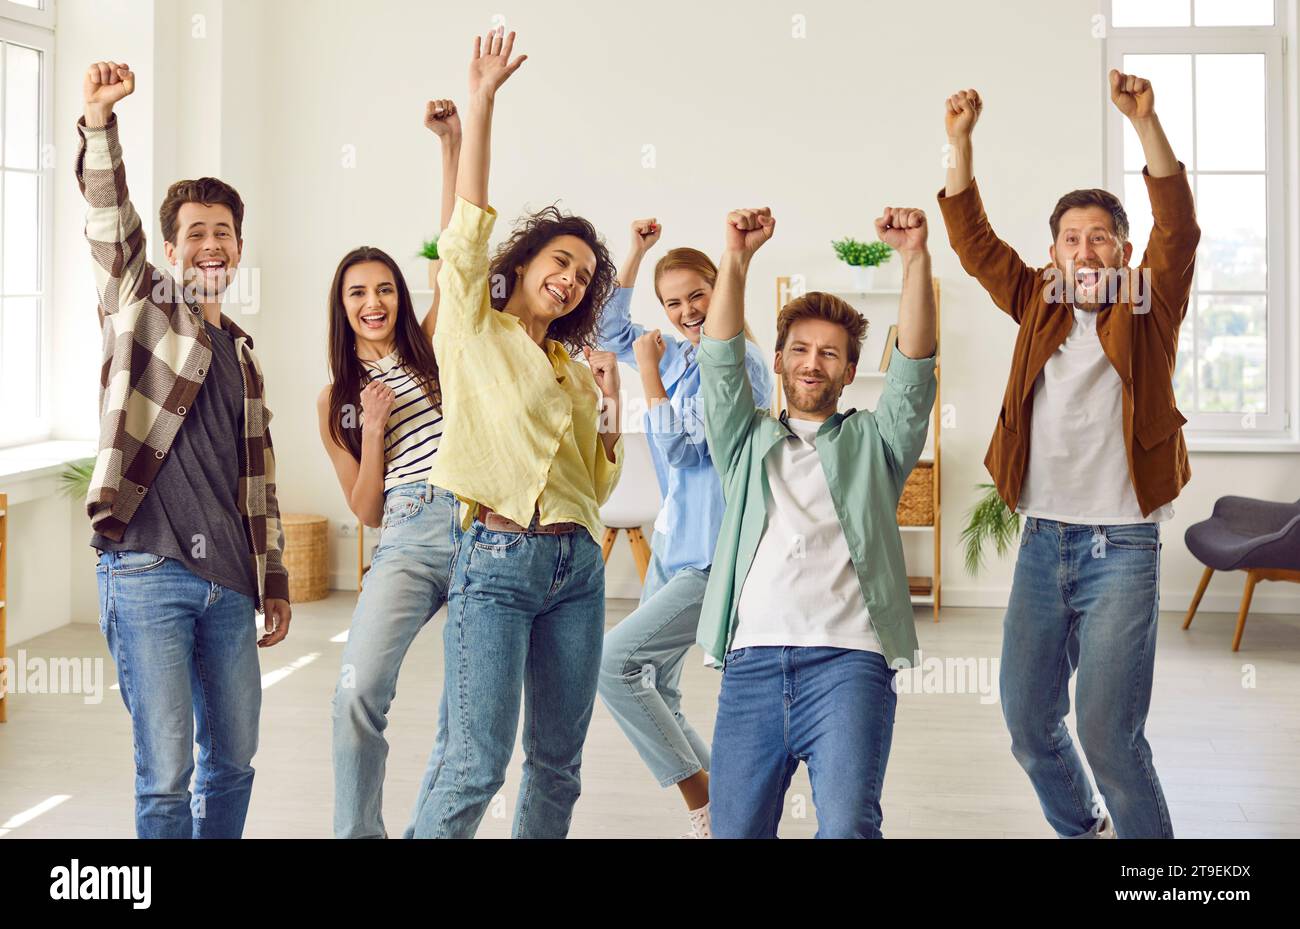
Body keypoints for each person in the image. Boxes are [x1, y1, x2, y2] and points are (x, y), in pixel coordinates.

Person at [935, 72, 1199, 838]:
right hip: (1044, 538)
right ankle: (1083, 828)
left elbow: (1177, 229)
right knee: (1027, 720)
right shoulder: (1036, 301)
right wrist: (959, 144)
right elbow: (973, 242)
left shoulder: (1148, 307)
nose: (1086, 251)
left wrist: (1146, 125)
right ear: (1054, 251)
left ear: (1120, 249)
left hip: (1123, 543)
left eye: (1101, 238)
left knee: (1110, 735)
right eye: (1071, 238)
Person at [409, 28, 624, 839]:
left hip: (577, 566)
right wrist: (481, 105)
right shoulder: (473, 326)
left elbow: (597, 485)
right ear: (528, 258)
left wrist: (609, 410)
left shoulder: (571, 369)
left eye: (581, 277)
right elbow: (463, 234)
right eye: (558, 261)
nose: (567, 279)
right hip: (495, 562)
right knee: (474, 762)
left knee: (558, 768)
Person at [79, 60, 292, 838]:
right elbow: (111, 224)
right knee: (165, 775)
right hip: (147, 571)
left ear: (238, 248)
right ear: (171, 248)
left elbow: (258, 486)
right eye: (195, 233)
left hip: (229, 588)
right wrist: (101, 122)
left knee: (232, 761)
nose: (211, 245)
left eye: (223, 233)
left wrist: (273, 579)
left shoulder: (242, 352)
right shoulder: (144, 307)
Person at [697, 205, 938, 838]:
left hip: (849, 664)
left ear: (849, 371)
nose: (812, 362)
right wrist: (737, 259)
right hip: (751, 664)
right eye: (799, 350)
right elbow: (719, 363)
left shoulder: (876, 445)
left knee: (849, 828)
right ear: (777, 361)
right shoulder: (744, 441)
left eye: (829, 354)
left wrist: (914, 259)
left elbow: (913, 375)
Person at [595, 220, 771, 838]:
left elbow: (683, 450)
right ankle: (727, 812)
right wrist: (636, 254)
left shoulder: (741, 365)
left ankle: (706, 803)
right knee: (657, 689)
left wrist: (645, 377)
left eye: (698, 295)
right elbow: (605, 328)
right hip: (673, 542)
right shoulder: (673, 349)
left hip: (714, 555)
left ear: (719, 290)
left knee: (613, 665)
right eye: (672, 303)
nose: (687, 311)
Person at [320, 99, 464, 839]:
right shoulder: (335, 398)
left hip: (477, 526)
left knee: (466, 712)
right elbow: (367, 510)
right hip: (406, 532)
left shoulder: (429, 350)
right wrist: (372, 429)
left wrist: (451, 145)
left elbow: (452, 255)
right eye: (357, 293)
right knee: (356, 691)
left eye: (383, 289)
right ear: (341, 309)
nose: (373, 301)